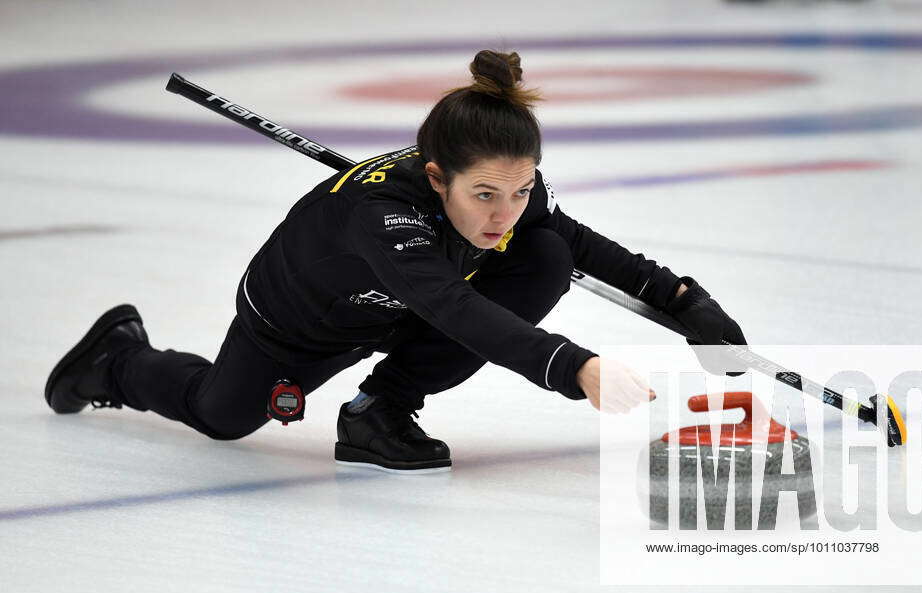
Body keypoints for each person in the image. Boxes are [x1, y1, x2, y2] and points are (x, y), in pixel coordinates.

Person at [45, 50, 746, 473]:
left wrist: (685, 300)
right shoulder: (385, 218)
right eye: (484, 194)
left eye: (521, 189)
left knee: (547, 254)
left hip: (399, 308)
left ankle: (379, 410)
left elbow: (580, 243)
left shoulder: (508, 193)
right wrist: (576, 366)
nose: (504, 212)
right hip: (299, 323)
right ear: (437, 177)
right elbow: (456, 308)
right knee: (222, 417)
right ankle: (115, 359)